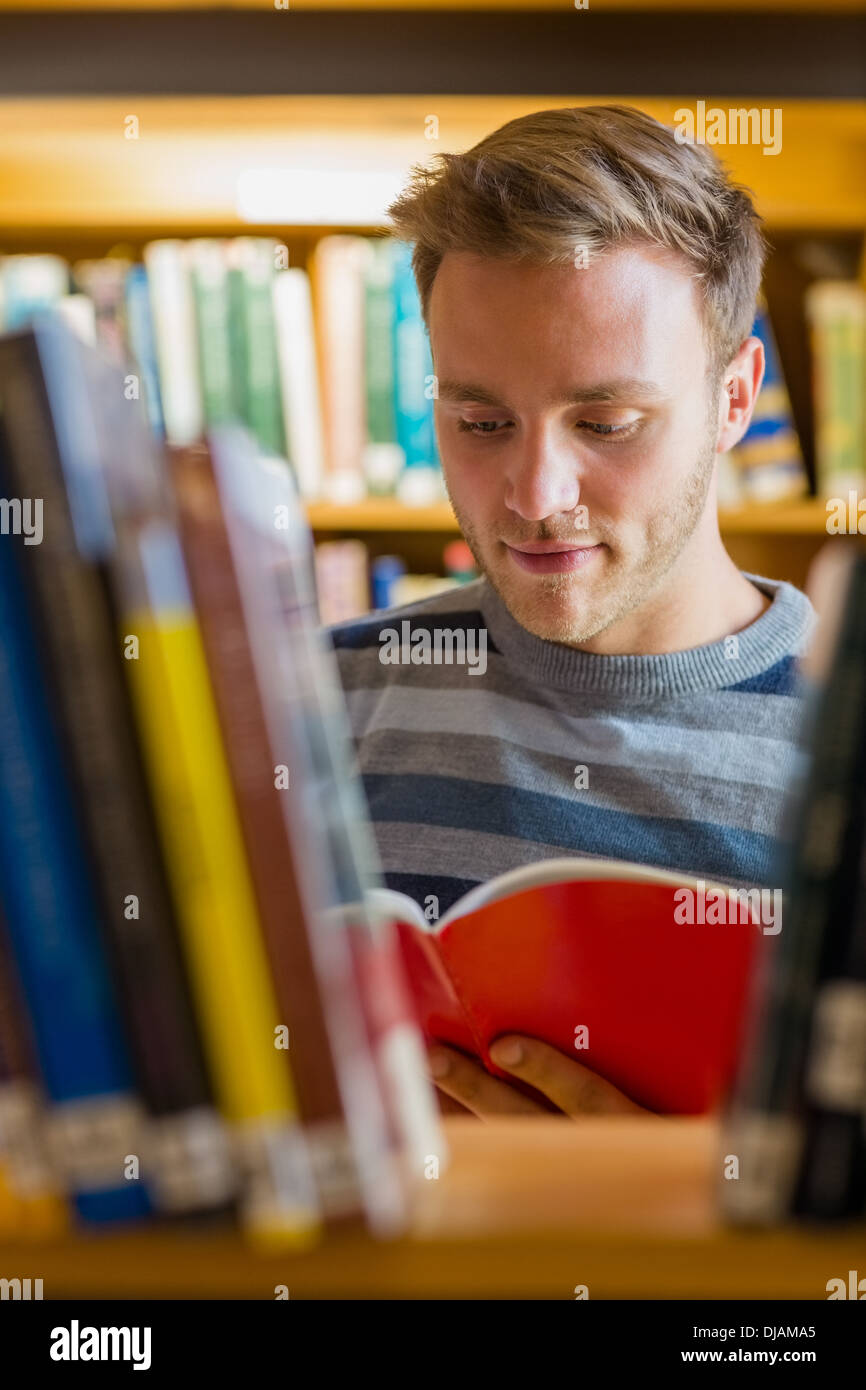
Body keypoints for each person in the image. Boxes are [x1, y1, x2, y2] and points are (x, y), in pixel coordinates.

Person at [329, 105, 815, 1117]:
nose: (535, 491)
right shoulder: (302, 704)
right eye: (480, 421)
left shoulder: (838, 741)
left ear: (734, 400)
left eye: (604, 421)